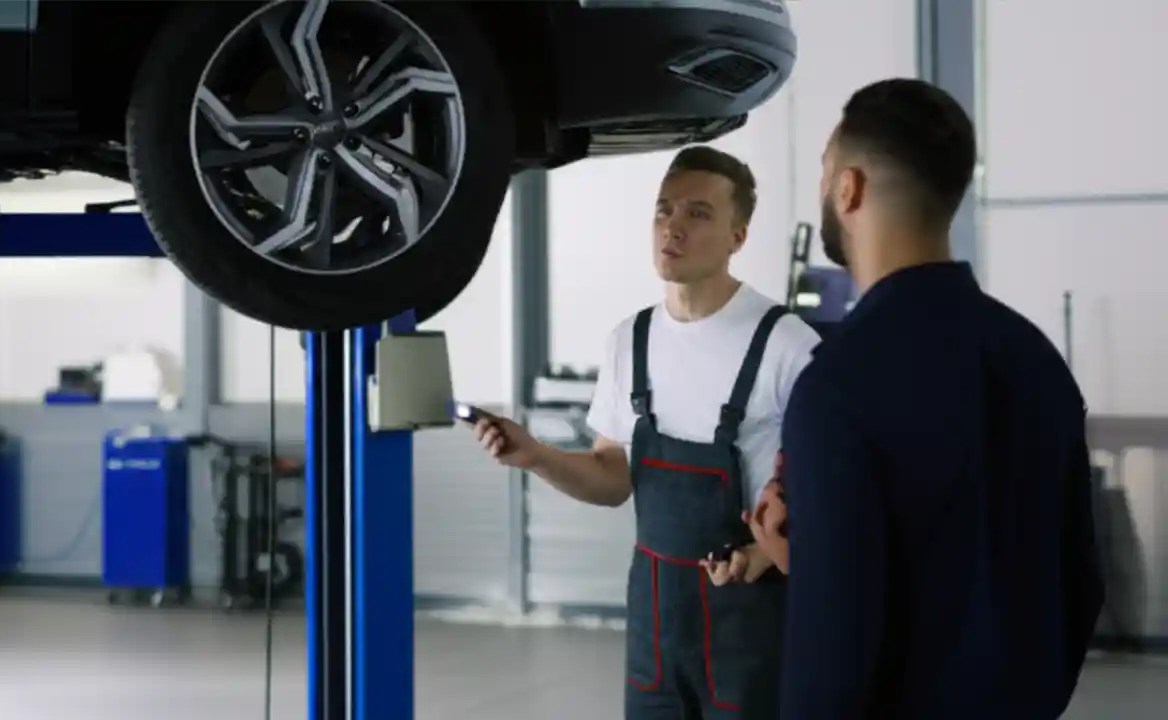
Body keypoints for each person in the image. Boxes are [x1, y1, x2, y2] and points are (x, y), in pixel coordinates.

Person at [744, 78, 1106, 719]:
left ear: (849, 188)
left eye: (826, 171)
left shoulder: (838, 386)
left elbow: (833, 653)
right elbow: (1080, 582)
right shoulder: (1036, 360)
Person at [471, 145, 821, 719]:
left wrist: (764, 550)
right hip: (655, 627)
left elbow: (837, 481)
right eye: (664, 210)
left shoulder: (786, 345)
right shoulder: (629, 342)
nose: (673, 227)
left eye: (698, 214)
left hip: (749, 621)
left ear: (738, 236)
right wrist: (533, 454)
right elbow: (613, 479)